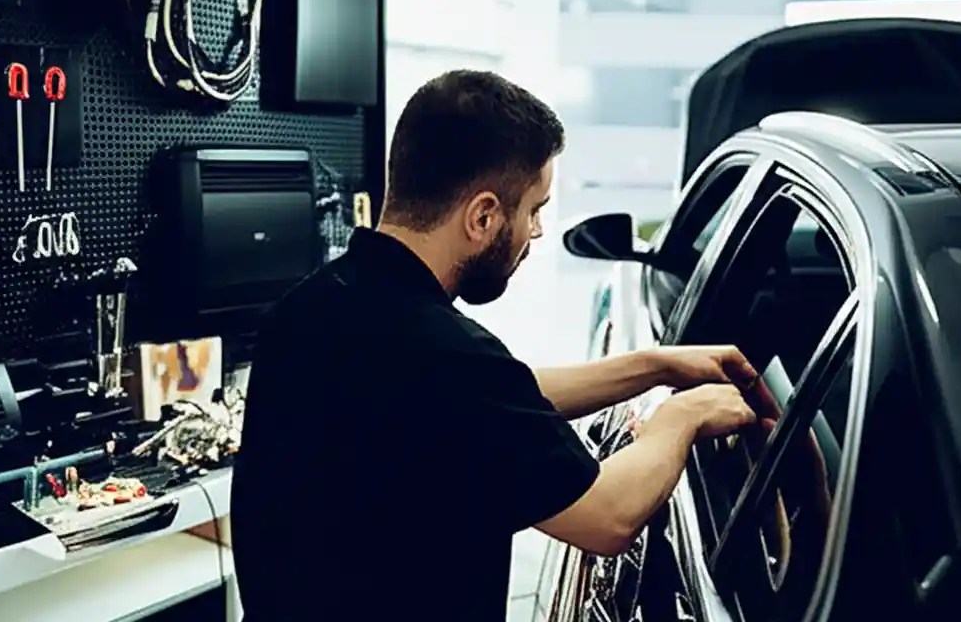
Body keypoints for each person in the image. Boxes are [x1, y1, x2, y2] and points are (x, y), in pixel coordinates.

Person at [232, 70, 757, 621]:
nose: (536, 232)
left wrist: (652, 367)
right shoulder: (445, 354)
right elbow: (610, 518)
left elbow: (487, 400)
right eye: (533, 210)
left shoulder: (313, 307)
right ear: (483, 216)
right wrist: (682, 417)